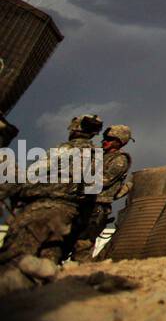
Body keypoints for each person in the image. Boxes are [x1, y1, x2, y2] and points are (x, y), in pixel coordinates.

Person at [0, 115, 103, 275]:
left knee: (13, 258)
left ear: (74, 129)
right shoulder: (96, 155)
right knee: (48, 261)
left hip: (40, 209)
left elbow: (33, 175)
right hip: (68, 214)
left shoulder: (64, 149)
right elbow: (92, 191)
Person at [72, 124, 134, 262]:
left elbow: (102, 181)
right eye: (105, 137)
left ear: (119, 142)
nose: (105, 141)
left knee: (83, 244)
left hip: (97, 207)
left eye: (110, 139)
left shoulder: (119, 159)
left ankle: (79, 275)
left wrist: (75, 186)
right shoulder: (98, 155)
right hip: (82, 203)